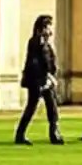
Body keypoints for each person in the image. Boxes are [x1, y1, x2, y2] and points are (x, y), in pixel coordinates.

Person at [15, 14, 65, 146]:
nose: (50, 30)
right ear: (41, 28)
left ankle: (54, 134)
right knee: (31, 107)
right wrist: (46, 77)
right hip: (37, 81)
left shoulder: (46, 44)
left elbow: (51, 62)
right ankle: (20, 135)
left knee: (52, 108)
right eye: (48, 27)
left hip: (46, 81)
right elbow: (36, 63)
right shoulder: (35, 42)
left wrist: (51, 76)